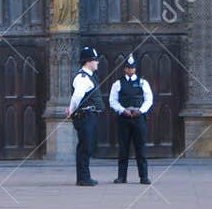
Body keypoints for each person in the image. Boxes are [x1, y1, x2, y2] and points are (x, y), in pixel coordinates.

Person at [108, 54, 153, 184]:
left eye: (132, 68)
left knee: (141, 148)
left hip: (139, 118)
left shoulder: (143, 82)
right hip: (124, 118)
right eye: (128, 68)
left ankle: (143, 176)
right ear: (124, 69)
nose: (130, 70)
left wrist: (141, 111)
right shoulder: (117, 83)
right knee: (123, 148)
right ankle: (122, 177)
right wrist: (123, 110)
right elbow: (113, 101)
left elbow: (149, 99)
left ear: (135, 69)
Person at [65, 45, 102, 186]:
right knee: (84, 147)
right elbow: (78, 95)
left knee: (86, 146)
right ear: (88, 61)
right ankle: (83, 178)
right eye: (95, 60)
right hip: (85, 116)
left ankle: (84, 177)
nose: (97, 62)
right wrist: (71, 109)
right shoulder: (83, 77)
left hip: (89, 115)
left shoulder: (89, 76)